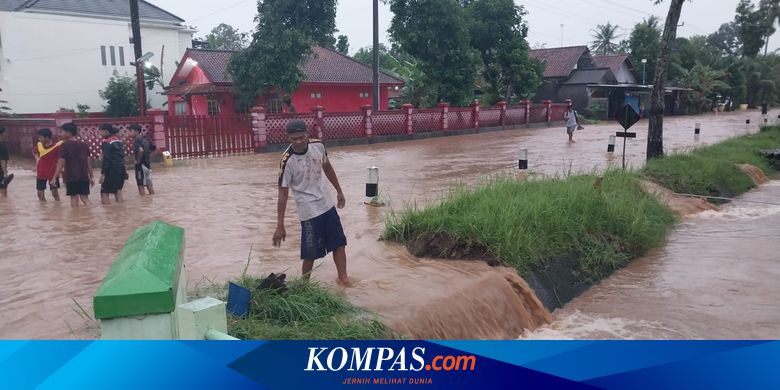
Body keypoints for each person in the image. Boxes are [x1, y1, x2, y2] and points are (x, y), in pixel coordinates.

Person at [272, 120, 352, 287]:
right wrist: (280, 225)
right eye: (294, 139)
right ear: (288, 138)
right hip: (308, 211)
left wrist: (339, 191)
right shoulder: (287, 161)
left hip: (327, 204)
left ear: (307, 134)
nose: (298, 142)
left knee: (339, 243)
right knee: (310, 253)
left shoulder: (318, 146)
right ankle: (304, 287)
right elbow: (283, 195)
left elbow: (327, 168)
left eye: (301, 137)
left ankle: (343, 279)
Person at [52, 123, 93, 207]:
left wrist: (54, 178)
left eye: (62, 132)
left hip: (71, 176)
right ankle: (91, 214)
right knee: (85, 198)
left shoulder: (64, 145)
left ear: (68, 133)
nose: (60, 134)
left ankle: (75, 219)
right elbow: (88, 162)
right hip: (84, 176)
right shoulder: (84, 145)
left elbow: (61, 163)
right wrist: (91, 176)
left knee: (74, 198)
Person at [98, 123, 128, 204]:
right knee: (118, 191)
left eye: (100, 132)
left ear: (106, 131)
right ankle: (119, 211)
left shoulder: (106, 142)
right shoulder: (119, 141)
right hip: (121, 169)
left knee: (104, 192)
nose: (99, 134)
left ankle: (108, 215)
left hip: (111, 170)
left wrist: (103, 173)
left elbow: (107, 159)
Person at [32, 128, 63, 202]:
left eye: (41, 137)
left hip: (53, 173)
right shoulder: (39, 145)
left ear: (47, 137)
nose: (39, 139)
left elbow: (61, 159)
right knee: (40, 192)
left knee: (55, 193)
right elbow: (34, 151)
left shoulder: (57, 147)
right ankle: (43, 208)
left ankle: (57, 207)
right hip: (41, 172)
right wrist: (37, 158)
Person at [130, 124, 154, 196]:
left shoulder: (137, 140)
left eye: (131, 131)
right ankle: (151, 198)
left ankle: (143, 201)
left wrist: (138, 160)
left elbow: (141, 150)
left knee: (140, 185)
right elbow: (154, 149)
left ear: (136, 131)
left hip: (141, 166)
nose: (129, 133)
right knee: (149, 184)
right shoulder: (145, 139)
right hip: (147, 165)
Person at [0, 125, 13, 197]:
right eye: (5, 132)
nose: (6, 134)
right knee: (4, 195)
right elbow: (2, 161)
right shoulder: (2, 146)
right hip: (0, 173)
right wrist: (5, 173)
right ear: (1, 134)